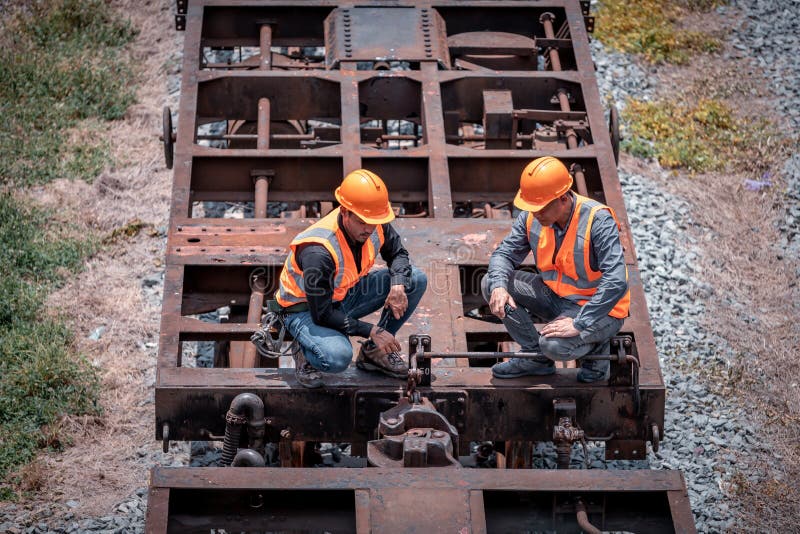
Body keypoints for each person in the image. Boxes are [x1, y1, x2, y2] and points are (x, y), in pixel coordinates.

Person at [275, 169, 428, 388]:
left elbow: (398, 254)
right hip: (305, 311)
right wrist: (373, 331)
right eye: (362, 222)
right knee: (337, 357)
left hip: (344, 295)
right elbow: (323, 314)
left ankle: (374, 355)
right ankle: (305, 352)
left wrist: (397, 286)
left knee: (415, 279)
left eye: (373, 222)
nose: (369, 229)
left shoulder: (375, 221)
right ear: (345, 212)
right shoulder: (319, 251)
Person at [482, 156, 630, 382]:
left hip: (599, 309)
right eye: (531, 207)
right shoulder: (532, 218)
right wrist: (500, 287)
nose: (535, 213)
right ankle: (535, 358)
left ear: (563, 198)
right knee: (490, 283)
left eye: (540, 207)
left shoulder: (597, 220)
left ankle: (598, 352)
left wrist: (579, 324)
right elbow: (503, 255)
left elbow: (616, 281)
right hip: (555, 297)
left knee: (553, 345)